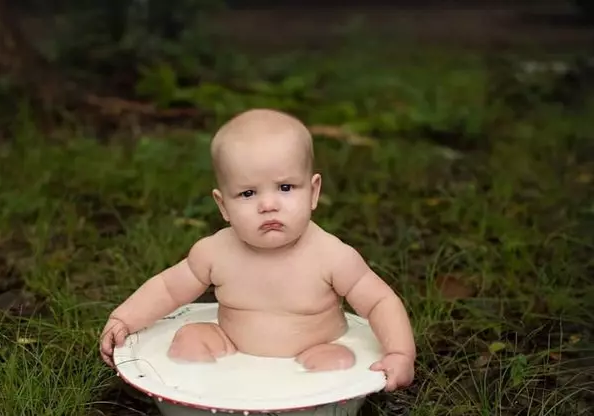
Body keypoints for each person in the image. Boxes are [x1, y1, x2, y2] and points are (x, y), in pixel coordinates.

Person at [100, 108, 416, 391]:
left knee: (335, 363)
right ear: (223, 205)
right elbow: (169, 289)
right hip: (231, 347)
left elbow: (379, 302)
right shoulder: (215, 252)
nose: (268, 205)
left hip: (315, 349)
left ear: (313, 192)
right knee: (190, 340)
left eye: (285, 187)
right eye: (248, 193)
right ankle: (202, 392)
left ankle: (309, 401)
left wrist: (399, 353)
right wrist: (125, 319)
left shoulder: (332, 256)